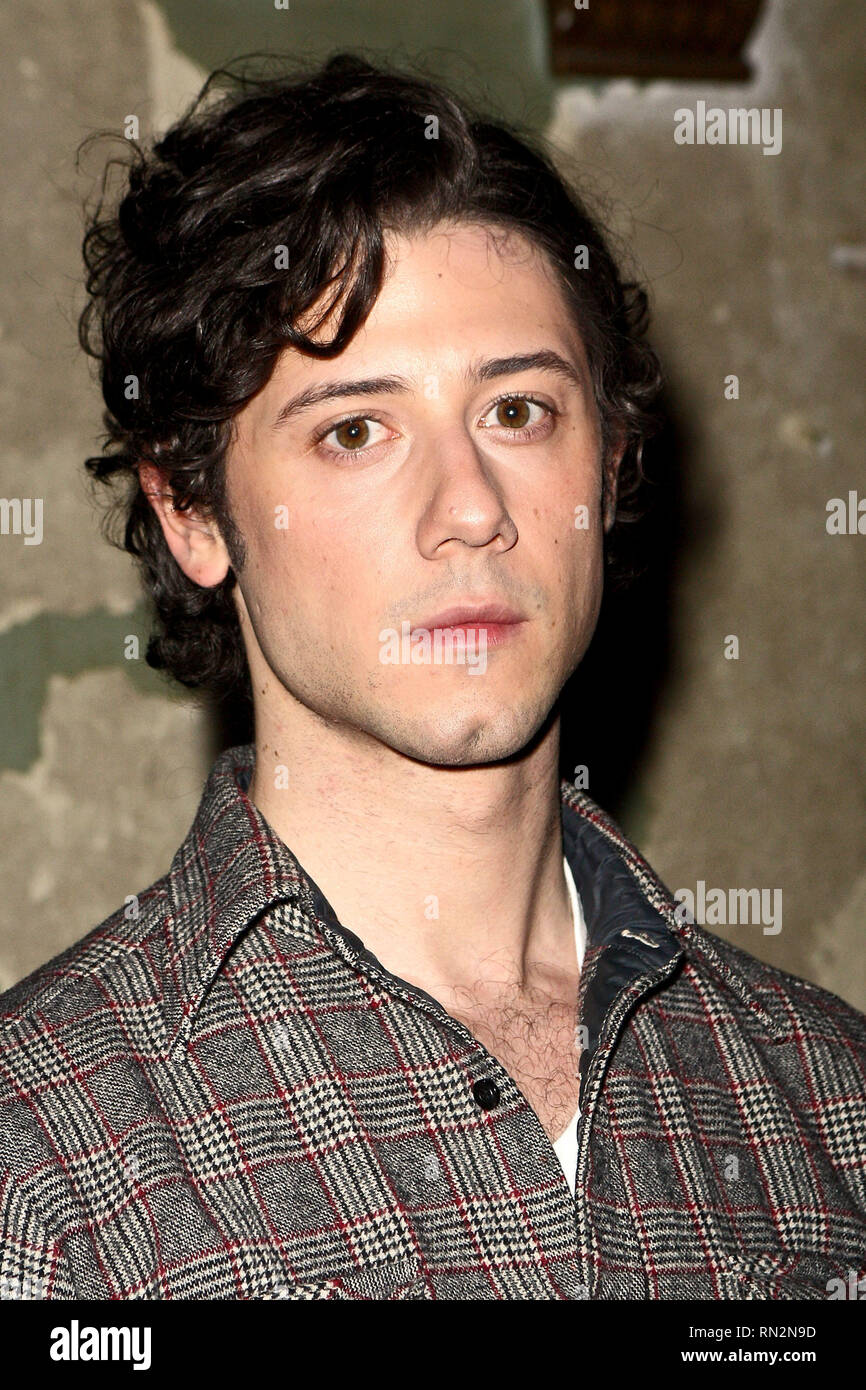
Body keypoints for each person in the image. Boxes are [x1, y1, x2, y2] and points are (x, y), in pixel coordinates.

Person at [1, 53, 864, 1302]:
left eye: (517, 412)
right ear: (191, 509)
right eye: (356, 430)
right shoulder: (42, 1169)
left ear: (608, 470)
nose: (468, 509)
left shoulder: (826, 1098)